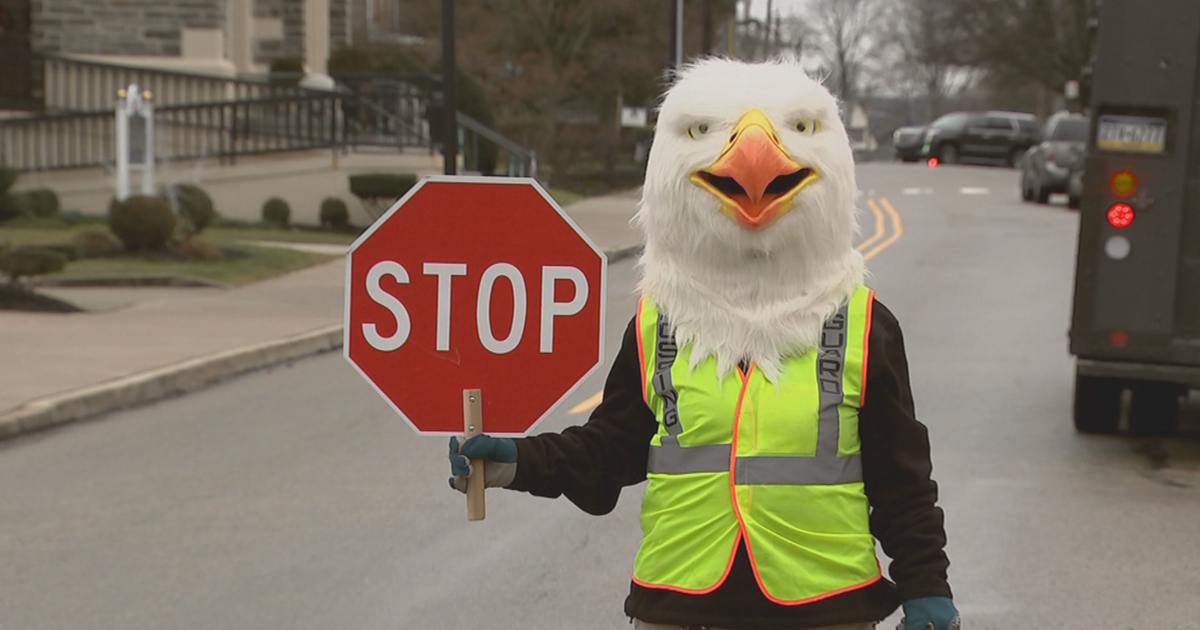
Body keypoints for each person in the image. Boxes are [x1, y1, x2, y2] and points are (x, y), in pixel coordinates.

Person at [448, 57, 959, 630]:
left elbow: (901, 477)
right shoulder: (658, 323)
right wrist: (515, 463)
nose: (754, 157)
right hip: (678, 605)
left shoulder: (863, 324)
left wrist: (926, 587)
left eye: (798, 128)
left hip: (826, 608)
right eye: (701, 131)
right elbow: (610, 451)